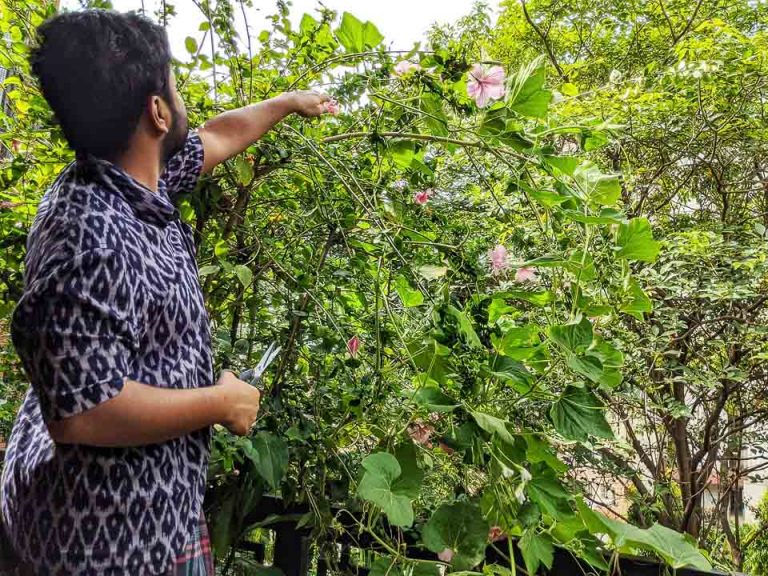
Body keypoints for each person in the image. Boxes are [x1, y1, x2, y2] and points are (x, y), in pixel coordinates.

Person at [0, 9, 330, 575]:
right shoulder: (92, 235)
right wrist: (222, 401)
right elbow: (85, 411)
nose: (180, 101)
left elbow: (218, 136)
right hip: (110, 540)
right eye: (172, 86)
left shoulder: (125, 178)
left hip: (146, 513)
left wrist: (289, 103)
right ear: (156, 112)